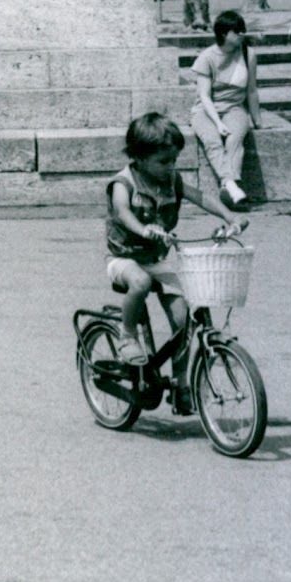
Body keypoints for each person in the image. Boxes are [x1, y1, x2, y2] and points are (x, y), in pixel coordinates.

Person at [106, 113, 245, 403]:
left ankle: (181, 384)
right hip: (124, 259)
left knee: (184, 319)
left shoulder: (172, 180)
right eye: (163, 162)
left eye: (174, 161)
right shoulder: (124, 182)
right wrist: (144, 229)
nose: (170, 168)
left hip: (157, 258)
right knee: (140, 282)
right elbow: (122, 212)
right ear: (139, 158)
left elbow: (202, 197)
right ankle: (127, 335)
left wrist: (230, 216)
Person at [189, 11, 261, 209]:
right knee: (212, 140)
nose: (241, 34)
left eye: (242, 30)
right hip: (206, 109)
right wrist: (218, 123)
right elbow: (204, 95)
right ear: (223, 34)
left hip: (235, 107)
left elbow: (252, 90)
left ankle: (228, 186)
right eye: (237, 31)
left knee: (235, 140)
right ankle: (231, 184)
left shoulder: (248, 54)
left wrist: (257, 120)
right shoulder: (207, 58)